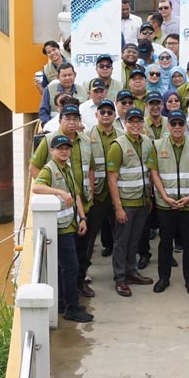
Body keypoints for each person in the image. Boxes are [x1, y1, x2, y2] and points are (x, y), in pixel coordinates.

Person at [32, 134, 93, 322]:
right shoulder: (49, 169)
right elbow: (37, 187)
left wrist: (82, 218)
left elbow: (75, 195)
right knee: (71, 268)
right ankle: (71, 308)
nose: (64, 151)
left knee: (64, 269)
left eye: (67, 148)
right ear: (52, 151)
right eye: (60, 149)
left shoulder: (66, 168)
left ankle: (62, 303)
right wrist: (59, 192)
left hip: (69, 224)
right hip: (60, 228)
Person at [150, 109, 189, 295]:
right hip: (166, 204)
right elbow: (154, 173)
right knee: (165, 243)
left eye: (180, 123)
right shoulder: (157, 145)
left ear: (185, 125)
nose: (177, 127)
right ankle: (163, 278)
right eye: (173, 123)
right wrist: (165, 196)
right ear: (168, 126)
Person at [106, 108, 157, 297]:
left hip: (142, 202)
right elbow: (112, 179)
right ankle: (120, 278)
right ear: (125, 123)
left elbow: (148, 172)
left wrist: (149, 197)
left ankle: (131, 271)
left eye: (139, 121)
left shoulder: (147, 143)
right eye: (131, 121)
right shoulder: (117, 146)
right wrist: (118, 207)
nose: (135, 125)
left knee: (134, 241)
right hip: (125, 203)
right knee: (121, 242)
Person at [80, 99, 123, 263]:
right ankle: (84, 274)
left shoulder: (122, 135)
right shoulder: (86, 137)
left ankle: (123, 272)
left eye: (109, 112)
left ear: (114, 115)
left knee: (121, 236)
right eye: (102, 112)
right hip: (97, 194)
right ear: (96, 114)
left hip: (118, 193)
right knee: (89, 236)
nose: (106, 115)